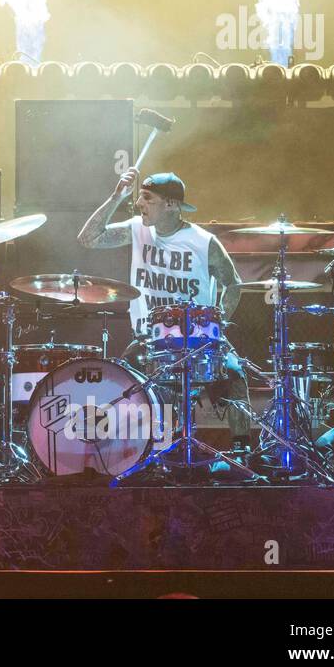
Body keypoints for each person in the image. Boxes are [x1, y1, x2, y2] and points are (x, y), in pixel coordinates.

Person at [77, 169, 251, 455]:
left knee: (235, 377)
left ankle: (242, 452)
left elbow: (233, 284)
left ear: (170, 205)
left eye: (147, 198)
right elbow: (88, 238)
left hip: (199, 337)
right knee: (123, 387)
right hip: (150, 336)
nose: (139, 204)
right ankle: (145, 454)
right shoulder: (137, 229)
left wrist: (217, 324)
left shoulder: (203, 242)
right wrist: (115, 196)